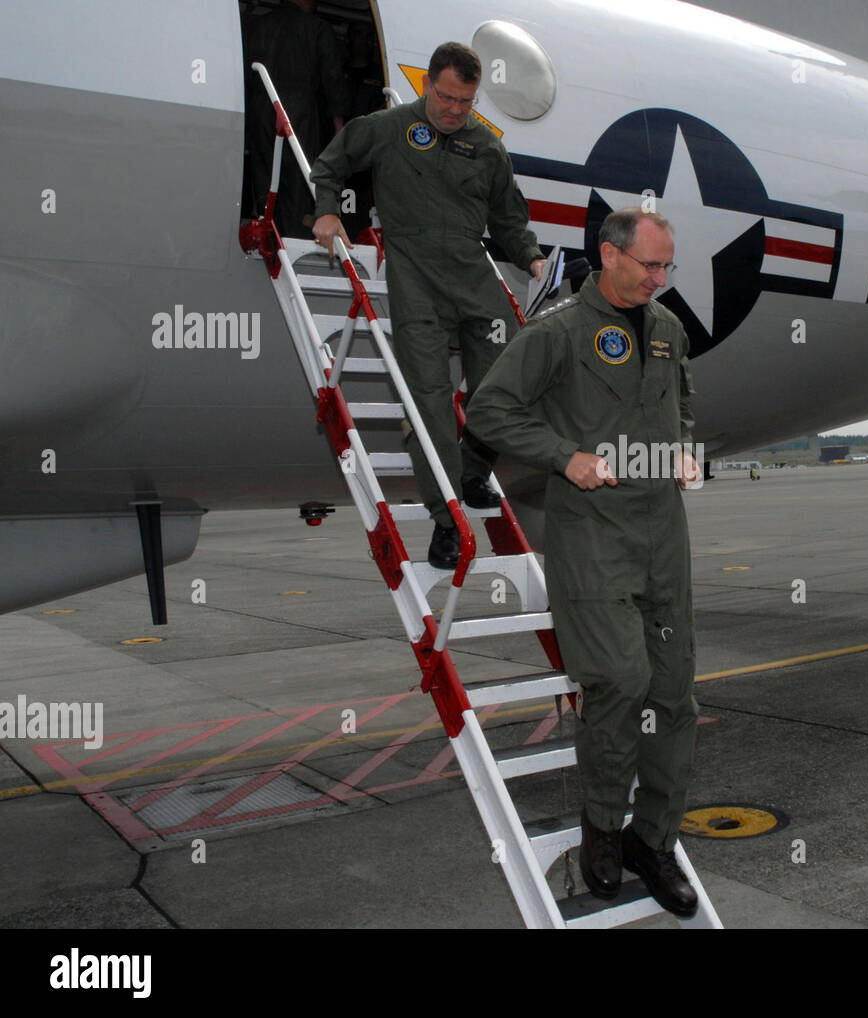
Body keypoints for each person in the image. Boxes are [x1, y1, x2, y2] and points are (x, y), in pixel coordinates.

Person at [466, 209, 702, 917]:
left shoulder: (668, 330)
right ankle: (602, 827)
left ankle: (651, 841)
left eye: (667, 268)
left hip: (664, 530)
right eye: (649, 267)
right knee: (619, 683)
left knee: (675, 698)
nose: (660, 280)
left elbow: (683, 400)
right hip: (593, 535)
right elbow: (489, 411)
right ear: (608, 254)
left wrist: (686, 444)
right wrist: (564, 457)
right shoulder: (560, 331)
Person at [310, 42, 545, 568]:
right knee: (429, 399)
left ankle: (473, 469)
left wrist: (530, 259)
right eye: (446, 97)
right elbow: (331, 163)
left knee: (503, 385)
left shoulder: (486, 145)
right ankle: (445, 517)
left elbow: (509, 219)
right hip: (415, 279)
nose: (454, 110)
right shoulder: (390, 127)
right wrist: (326, 212)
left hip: (471, 274)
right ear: (427, 86)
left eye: (465, 101)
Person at [244, 0, 350, 238]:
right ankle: (293, 238)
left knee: (264, 177)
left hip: (261, 110)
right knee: (299, 183)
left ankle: (265, 233)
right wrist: (338, 126)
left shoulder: (257, 26)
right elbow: (333, 79)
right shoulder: (317, 28)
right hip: (299, 112)